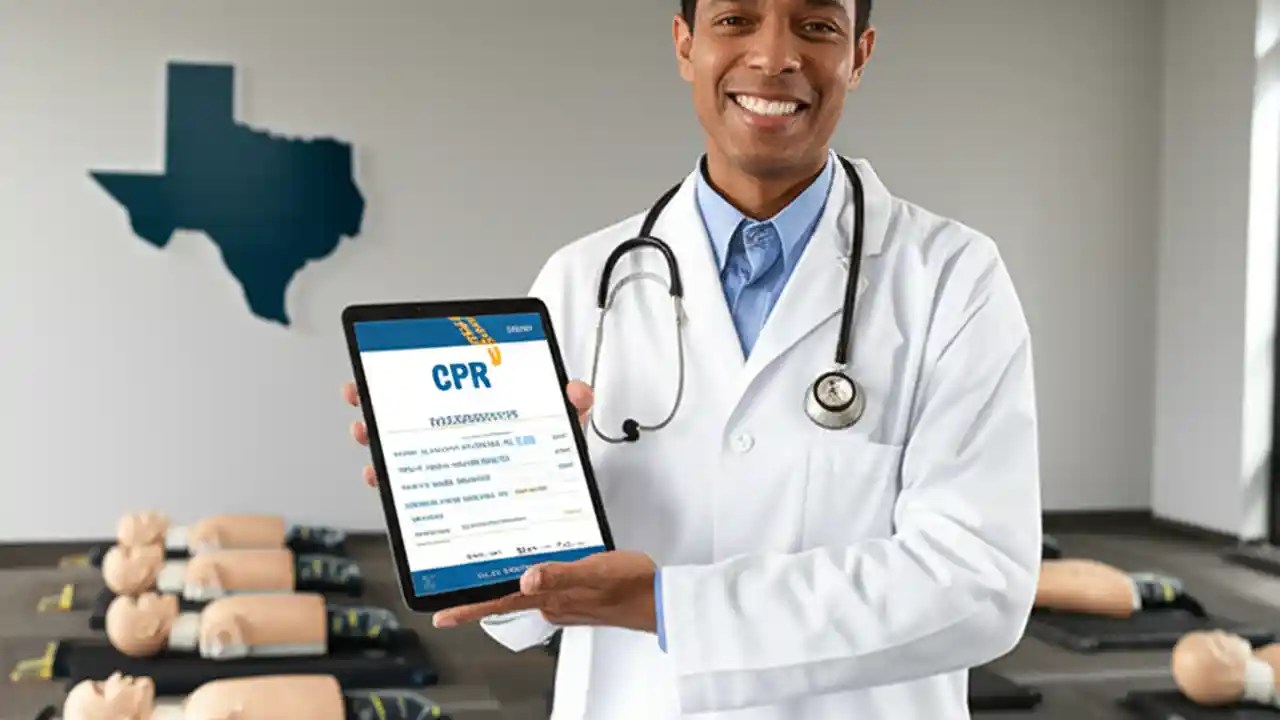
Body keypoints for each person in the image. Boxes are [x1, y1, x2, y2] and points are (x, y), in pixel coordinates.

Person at [343, 0, 1042, 717]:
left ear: (859, 55)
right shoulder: (583, 281)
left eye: (816, 26)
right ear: (686, 45)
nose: (774, 57)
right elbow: (527, 616)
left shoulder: (951, 278)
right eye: (736, 19)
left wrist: (670, 605)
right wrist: (472, 516)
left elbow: (979, 582)